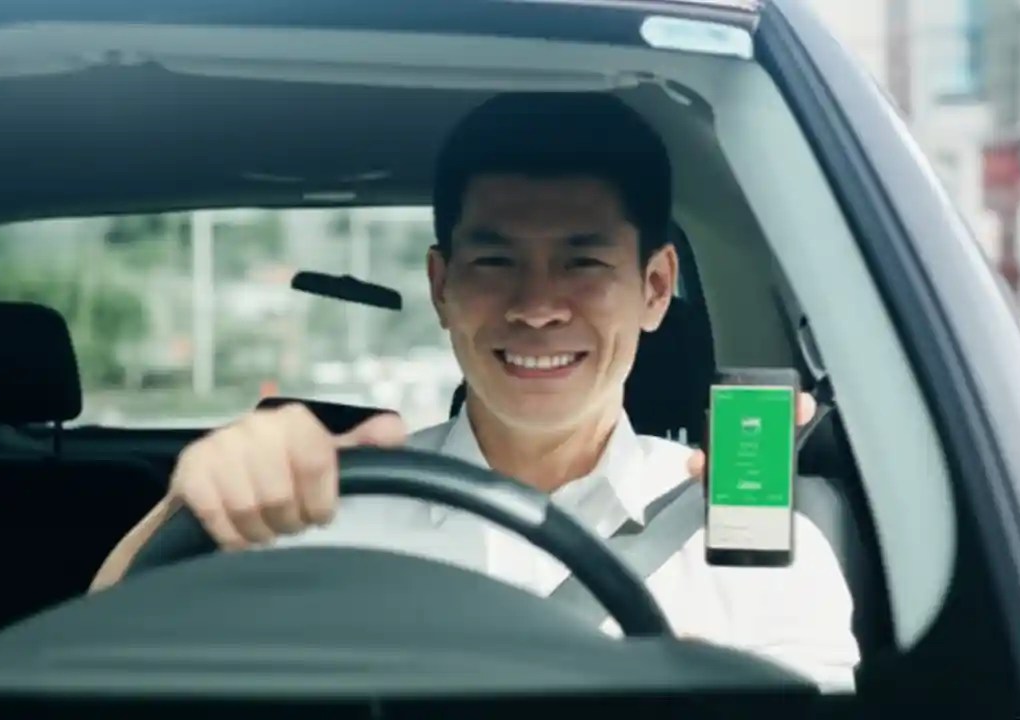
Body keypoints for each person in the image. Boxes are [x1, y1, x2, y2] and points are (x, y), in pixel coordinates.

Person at [91, 92, 859, 690]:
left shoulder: (742, 543)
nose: (536, 306)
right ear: (441, 285)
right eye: (495, 262)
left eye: (582, 263)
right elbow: (95, 674)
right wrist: (192, 507)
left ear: (655, 288)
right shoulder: (323, 516)